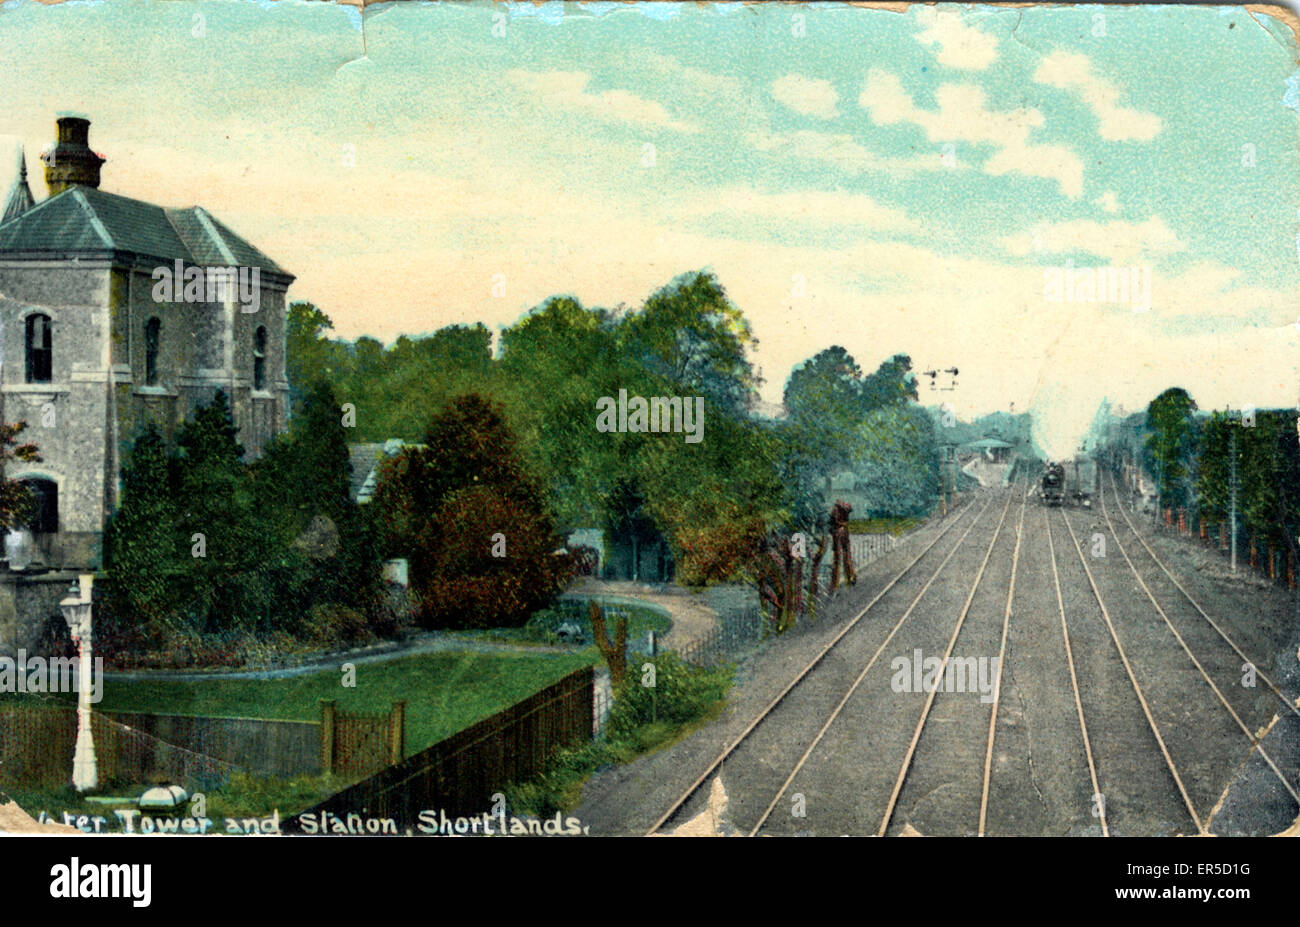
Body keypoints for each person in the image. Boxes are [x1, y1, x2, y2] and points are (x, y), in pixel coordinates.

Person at [830, 500, 856, 591]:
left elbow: (834, 522)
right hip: (843, 532)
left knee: (838, 559)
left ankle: (835, 584)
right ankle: (850, 577)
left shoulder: (835, 511)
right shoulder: (842, 513)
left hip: (838, 533)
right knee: (846, 556)